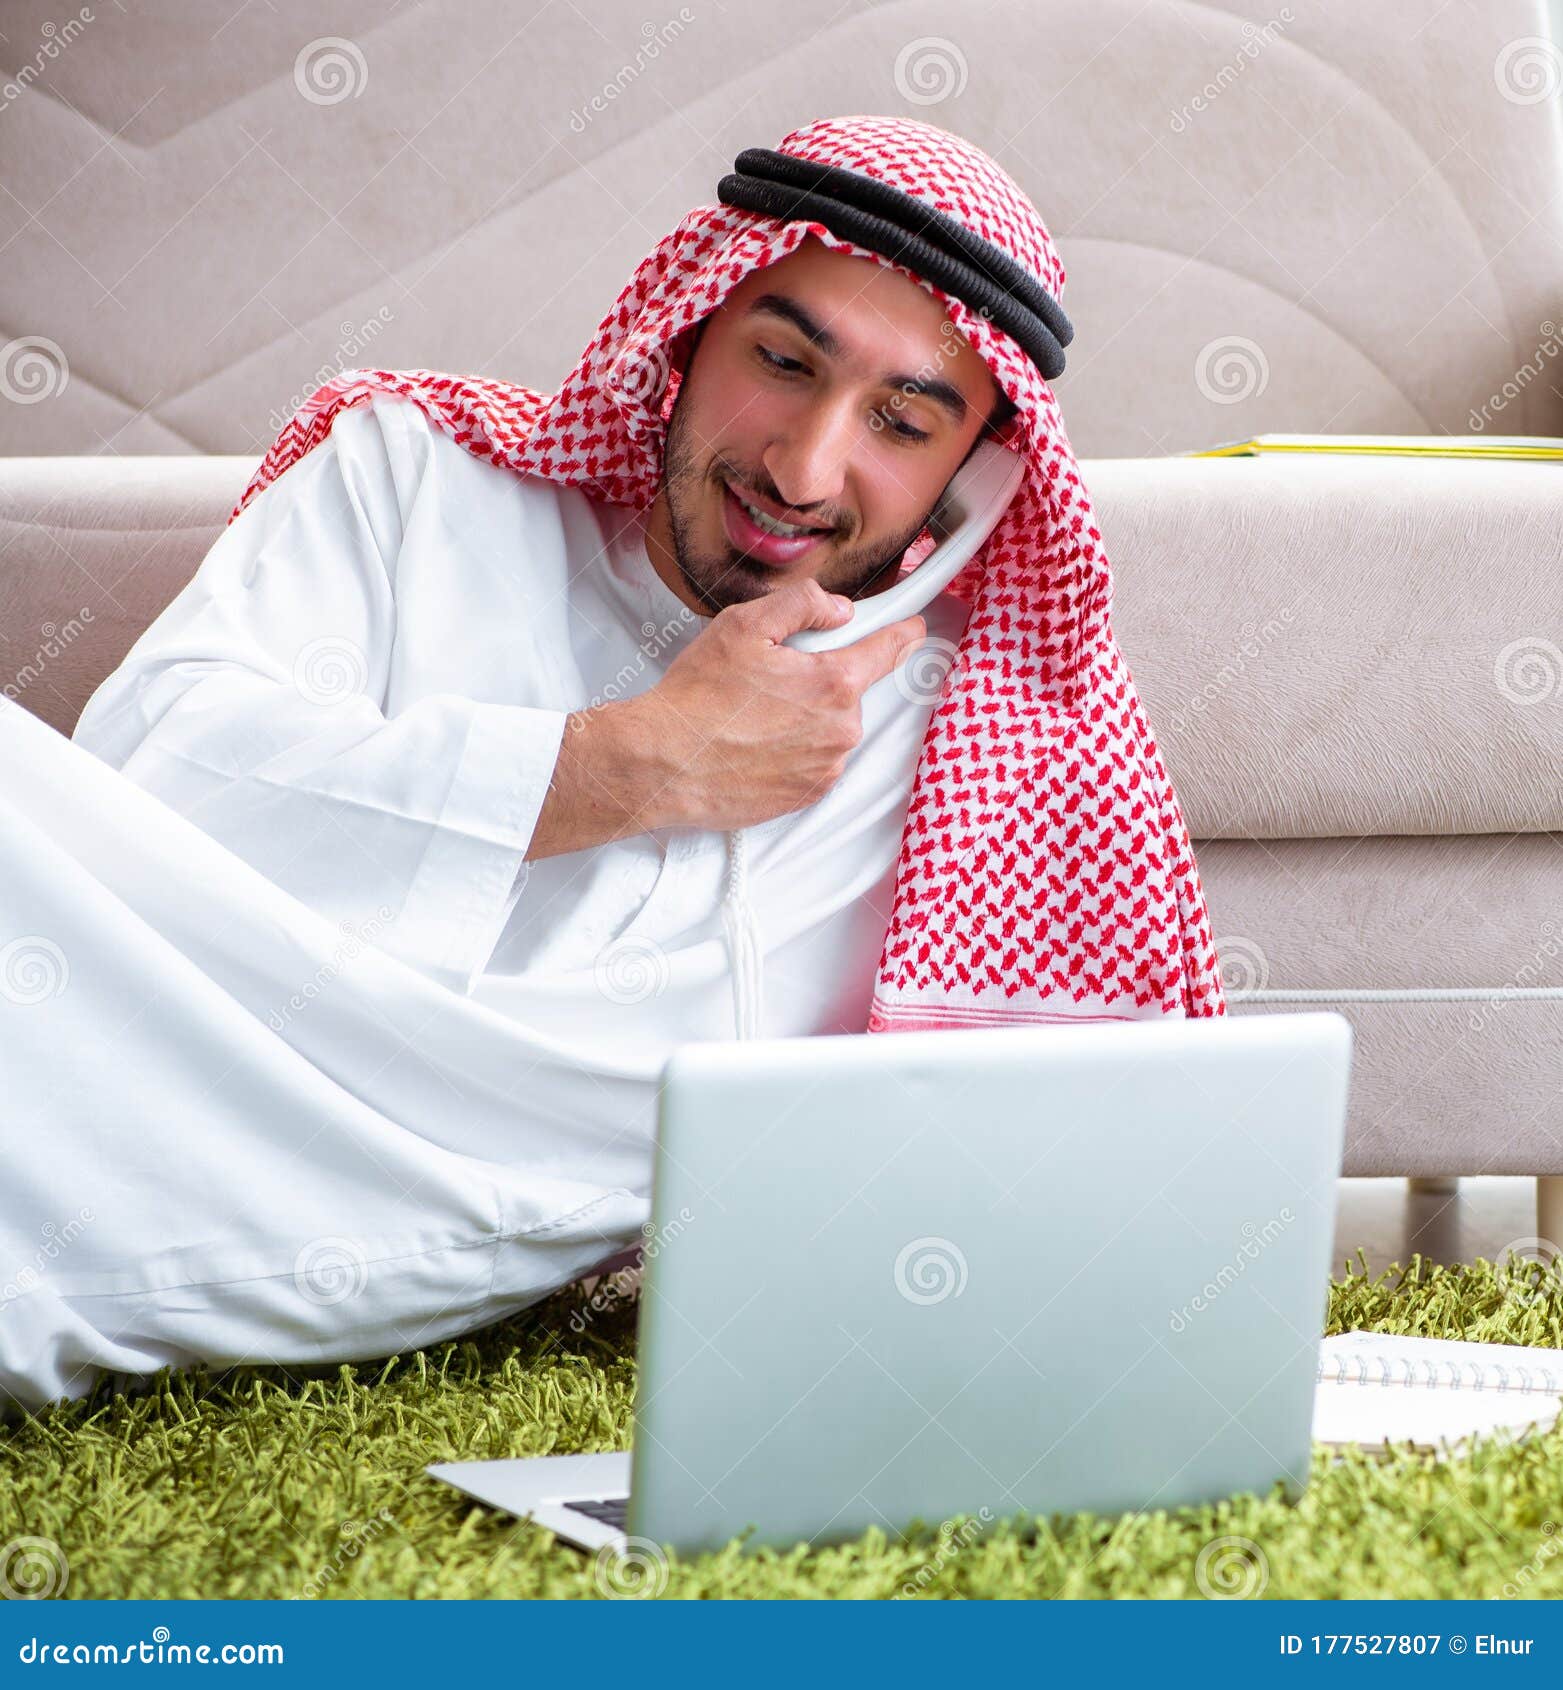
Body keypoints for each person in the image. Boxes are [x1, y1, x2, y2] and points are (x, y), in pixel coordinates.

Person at [0, 115, 1223, 1417]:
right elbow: (145, 787)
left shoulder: (983, 729)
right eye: (783, 360)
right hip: (109, 1024)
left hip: (326, 1229)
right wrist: (627, 763)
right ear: (687, 332)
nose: (804, 466)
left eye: (903, 423)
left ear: (975, 479)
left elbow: (1064, 1205)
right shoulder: (413, 482)